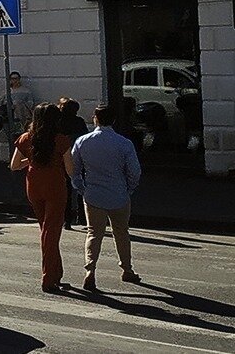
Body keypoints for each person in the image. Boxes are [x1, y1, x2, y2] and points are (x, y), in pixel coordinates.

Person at [72, 104, 142, 292]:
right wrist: (129, 189)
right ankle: (127, 269)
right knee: (121, 232)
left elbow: (75, 171)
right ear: (114, 120)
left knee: (94, 233)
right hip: (119, 194)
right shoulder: (124, 143)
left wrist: (81, 189)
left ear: (95, 118)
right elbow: (134, 171)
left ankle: (90, 271)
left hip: (93, 194)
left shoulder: (82, 141)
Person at [11, 103, 75, 294]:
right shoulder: (61, 140)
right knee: (51, 232)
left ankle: (56, 272)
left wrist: (30, 160)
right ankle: (48, 278)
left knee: (46, 230)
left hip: (34, 186)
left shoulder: (26, 138)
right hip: (55, 186)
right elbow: (70, 170)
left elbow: (14, 166)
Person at [57, 98, 88, 229]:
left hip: (63, 157)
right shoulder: (79, 122)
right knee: (81, 187)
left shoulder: (58, 122)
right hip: (78, 157)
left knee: (66, 190)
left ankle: (67, 220)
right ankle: (82, 217)